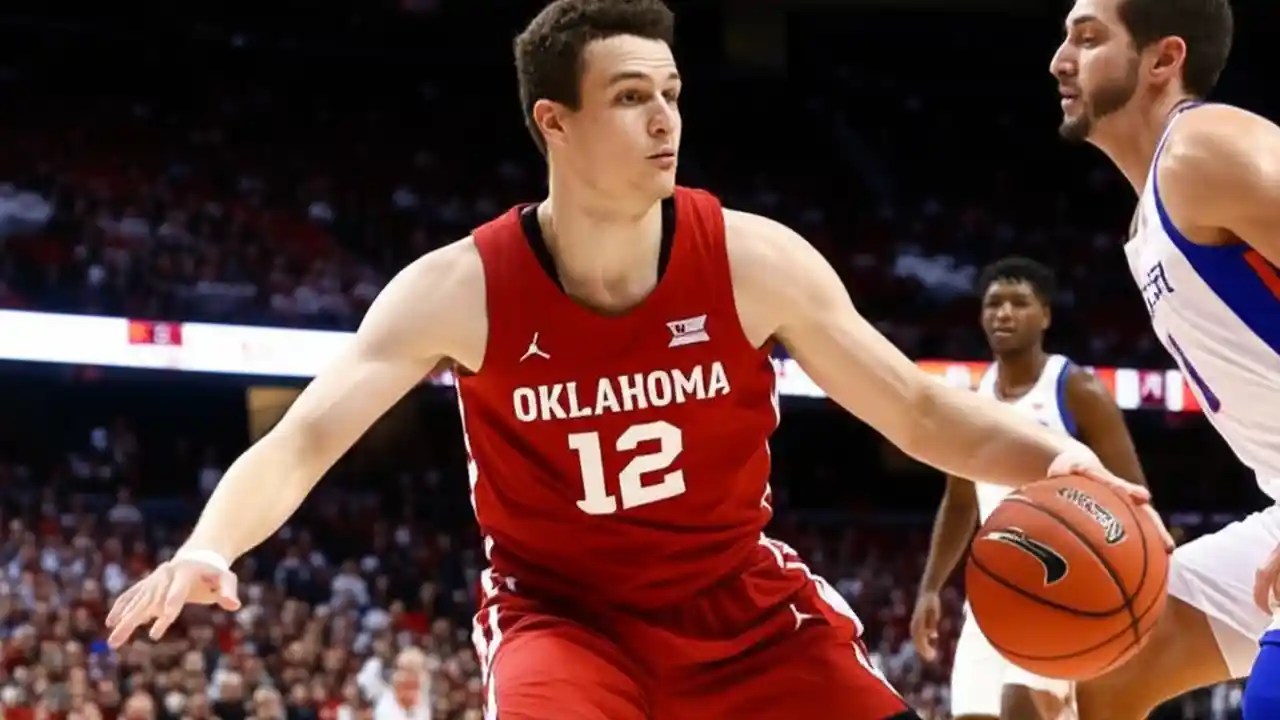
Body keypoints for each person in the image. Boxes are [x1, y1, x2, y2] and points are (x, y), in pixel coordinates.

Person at [103, 2, 1158, 718]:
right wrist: (210, 545)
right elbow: (303, 441)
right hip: (561, 620)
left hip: (736, 605)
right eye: (628, 97)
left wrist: (1050, 463)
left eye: (671, 91)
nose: (664, 119)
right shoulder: (456, 288)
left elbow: (917, 415)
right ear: (551, 120)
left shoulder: (753, 258)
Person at [1004, 0, 1280, 717]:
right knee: (1107, 667)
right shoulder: (1150, 217)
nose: (1059, 59)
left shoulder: (1204, 149)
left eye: (1088, 38)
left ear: (1164, 59)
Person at [910, 257, 1145, 720]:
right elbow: (960, 501)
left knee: (1021, 705)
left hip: (1066, 583)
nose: (1004, 313)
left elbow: (1134, 491)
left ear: (1046, 316)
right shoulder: (973, 402)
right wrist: (930, 586)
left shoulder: (1077, 389)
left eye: (1020, 303)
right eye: (994, 303)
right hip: (994, 587)